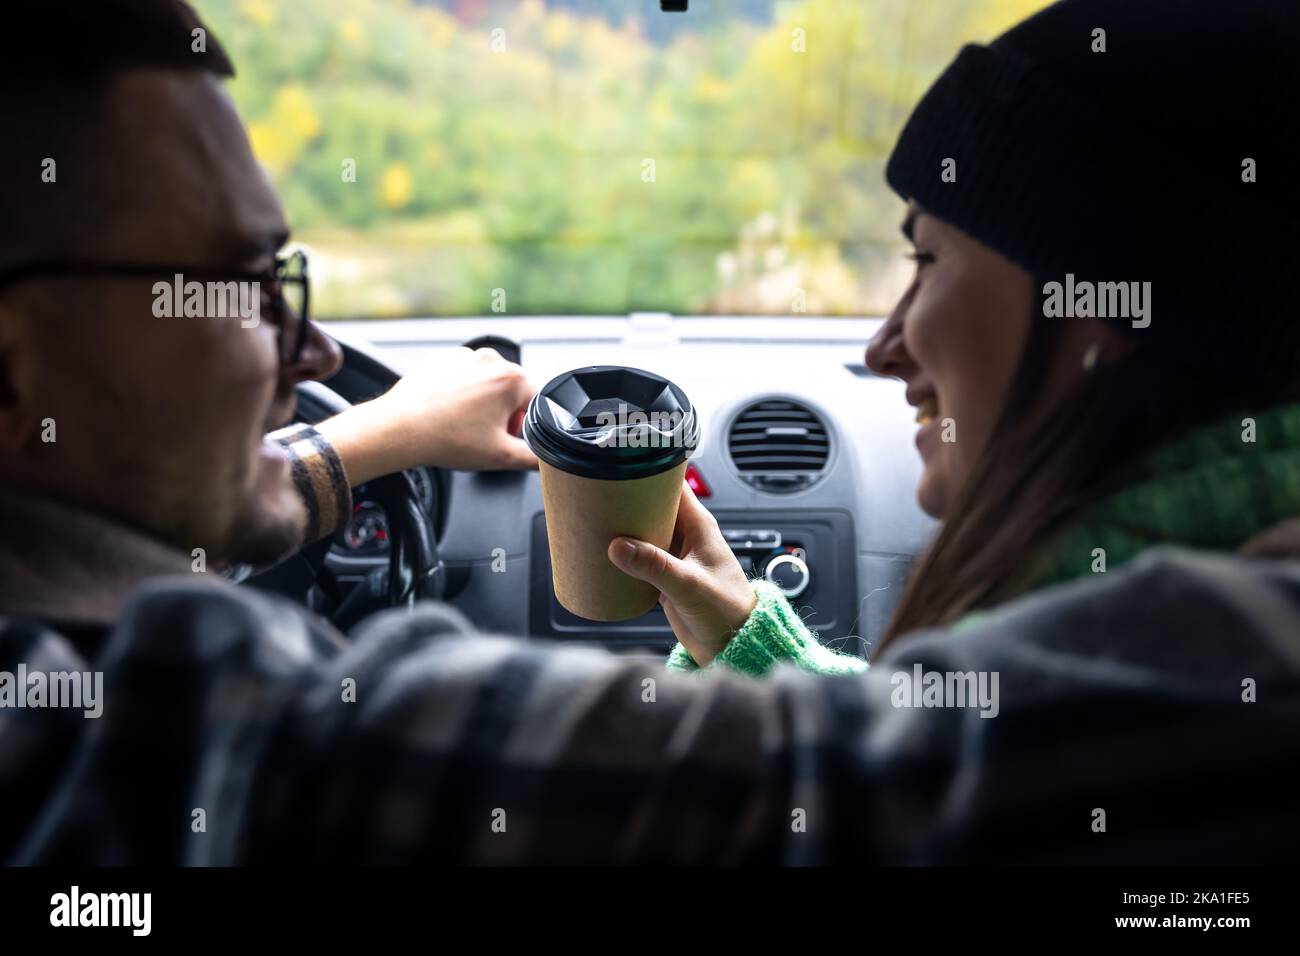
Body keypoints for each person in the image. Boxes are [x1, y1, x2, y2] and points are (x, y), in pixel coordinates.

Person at [2, 0, 1298, 865]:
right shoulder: (124, 738)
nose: (316, 351)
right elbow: (858, 796)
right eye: (242, 287)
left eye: (929, 265)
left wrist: (361, 453)